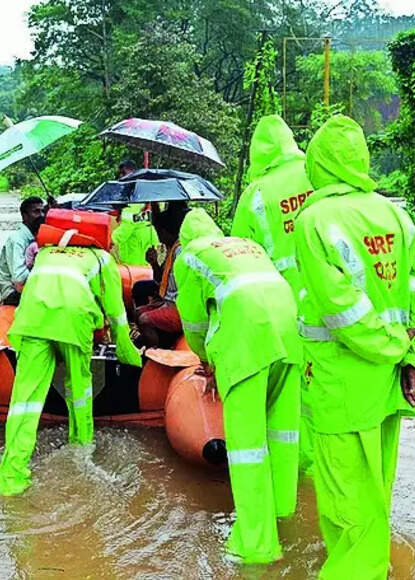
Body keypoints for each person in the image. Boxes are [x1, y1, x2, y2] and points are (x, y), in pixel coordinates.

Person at [292, 115, 415, 579]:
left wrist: (392, 345)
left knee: (348, 511)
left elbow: (339, 307)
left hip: (342, 387)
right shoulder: (393, 214)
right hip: (386, 386)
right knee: (375, 497)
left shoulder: (314, 219)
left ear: (318, 163)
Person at [173, 208, 302, 564]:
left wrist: (205, 358)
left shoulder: (192, 257)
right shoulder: (246, 245)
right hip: (291, 339)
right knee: (282, 436)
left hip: (246, 346)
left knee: (247, 450)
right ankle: (283, 517)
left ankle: (257, 548)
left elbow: (195, 320)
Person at [0, 234, 143, 496]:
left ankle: (11, 477)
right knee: (80, 391)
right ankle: (81, 448)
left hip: (32, 321)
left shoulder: (46, 253)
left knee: (24, 401)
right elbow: (116, 312)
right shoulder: (101, 258)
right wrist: (129, 355)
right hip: (74, 323)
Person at [231, 114, 316, 472]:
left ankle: (290, 487)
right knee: (319, 408)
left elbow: (237, 261)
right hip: (334, 310)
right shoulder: (320, 176)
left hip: (279, 318)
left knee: (284, 411)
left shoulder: (255, 196)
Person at [135, 206, 186, 347]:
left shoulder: (180, 252)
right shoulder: (171, 250)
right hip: (167, 300)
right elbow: (161, 281)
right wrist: (154, 263)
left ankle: (155, 354)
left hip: (178, 306)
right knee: (138, 312)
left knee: (145, 319)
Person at [0, 196, 46, 306]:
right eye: (36, 212)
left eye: (43, 211)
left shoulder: (38, 237)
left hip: (29, 287)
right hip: (13, 293)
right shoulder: (17, 239)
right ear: (24, 215)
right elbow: (19, 278)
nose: (41, 215)